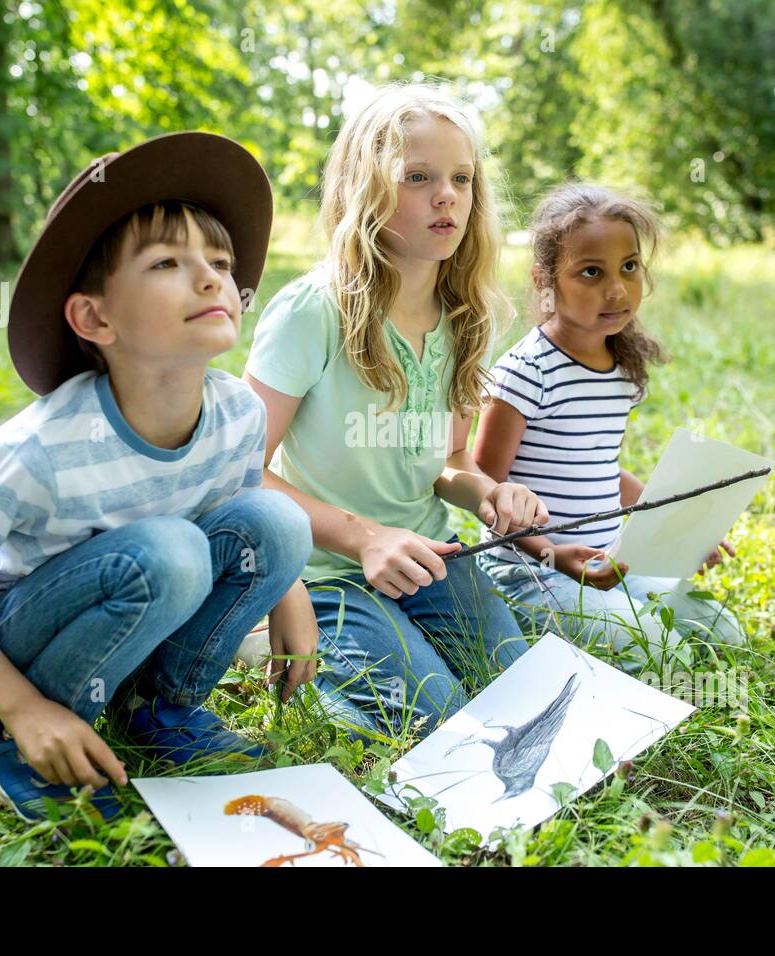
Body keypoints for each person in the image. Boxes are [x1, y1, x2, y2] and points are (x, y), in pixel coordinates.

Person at [0, 133, 317, 822]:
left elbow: (245, 514)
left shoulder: (237, 412)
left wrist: (289, 590)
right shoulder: (41, 448)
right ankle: (29, 745)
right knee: (169, 552)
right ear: (94, 316)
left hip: (137, 615)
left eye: (221, 261)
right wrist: (22, 707)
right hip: (13, 645)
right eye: (169, 261)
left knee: (280, 522)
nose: (211, 278)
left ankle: (159, 708)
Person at [244, 84, 548, 741]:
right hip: (326, 573)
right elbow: (240, 472)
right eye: (418, 178)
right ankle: (278, 641)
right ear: (365, 190)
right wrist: (365, 538)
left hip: (431, 558)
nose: (448, 196)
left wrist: (490, 494)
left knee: (523, 694)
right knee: (435, 720)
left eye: (461, 179)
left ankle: (387, 644)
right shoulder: (311, 312)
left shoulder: (470, 315)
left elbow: (449, 461)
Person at [472, 183, 746, 671]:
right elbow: (487, 488)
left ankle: (622, 611)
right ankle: (535, 625)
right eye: (591, 273)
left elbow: (599, 468)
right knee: (664, 652)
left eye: (630, 267)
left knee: (722, 631)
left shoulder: (618, 365)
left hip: (608, 559)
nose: (617, 289)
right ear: (545, 281)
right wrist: (553, 554)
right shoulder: (526, 371)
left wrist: (678, 526)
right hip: (537, 571)